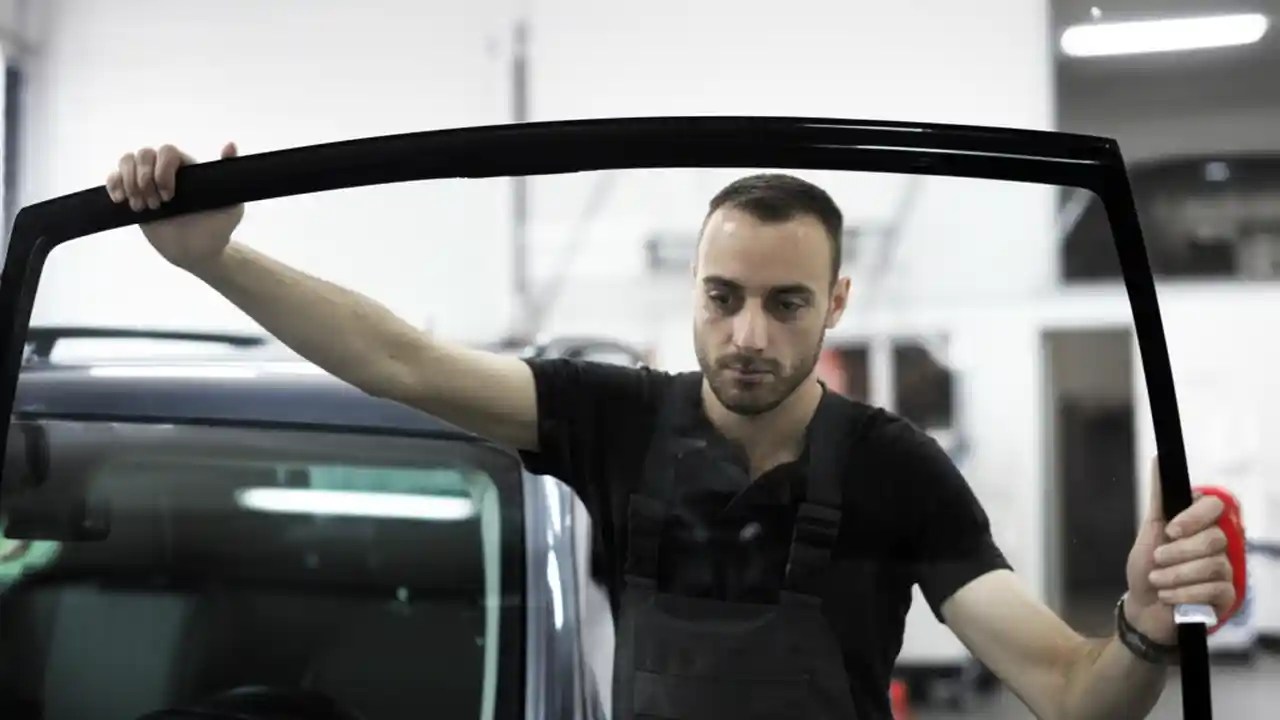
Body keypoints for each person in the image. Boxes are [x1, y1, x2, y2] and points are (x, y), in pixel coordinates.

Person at [107, 143, 1238, 719]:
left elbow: (1066, 689)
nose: (747, 335)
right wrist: (216, 260)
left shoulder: (895, 469)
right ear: (693, 289)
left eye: (785, 304)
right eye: (722, 297)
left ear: (835, 304)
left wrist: (1142, 628)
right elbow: (399, 361)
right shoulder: (615, 418)